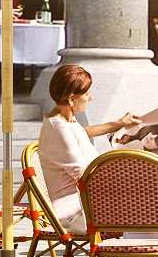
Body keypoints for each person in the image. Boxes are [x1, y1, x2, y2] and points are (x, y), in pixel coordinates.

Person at [35, 62, 140, 232]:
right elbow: (84, 176)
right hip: (74, 211)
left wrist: (119, 123)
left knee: (147, 204)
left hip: (84, 202)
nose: (91, 98)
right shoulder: (59, 128)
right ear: (71, 98)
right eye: (87, 93)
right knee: (146, 208)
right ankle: (150, 253)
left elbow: (81, 134)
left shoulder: (64, 121)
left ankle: (142, 254)